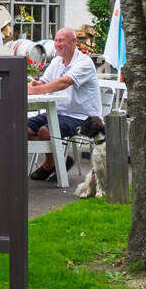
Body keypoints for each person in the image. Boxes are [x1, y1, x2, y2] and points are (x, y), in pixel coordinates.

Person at [27, 27, 102, 181]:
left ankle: (48, 166)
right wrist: (34, 84)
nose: (57, 44)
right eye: (56, 40)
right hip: (57, 112)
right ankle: (60, 159)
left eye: (61, 40)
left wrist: (36, 91)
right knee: (21, 128)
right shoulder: (56, 61)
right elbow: (44, 82)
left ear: (73, 41)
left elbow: (64, 82)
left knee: (45, 132)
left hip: (82, 116)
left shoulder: (84, 62)